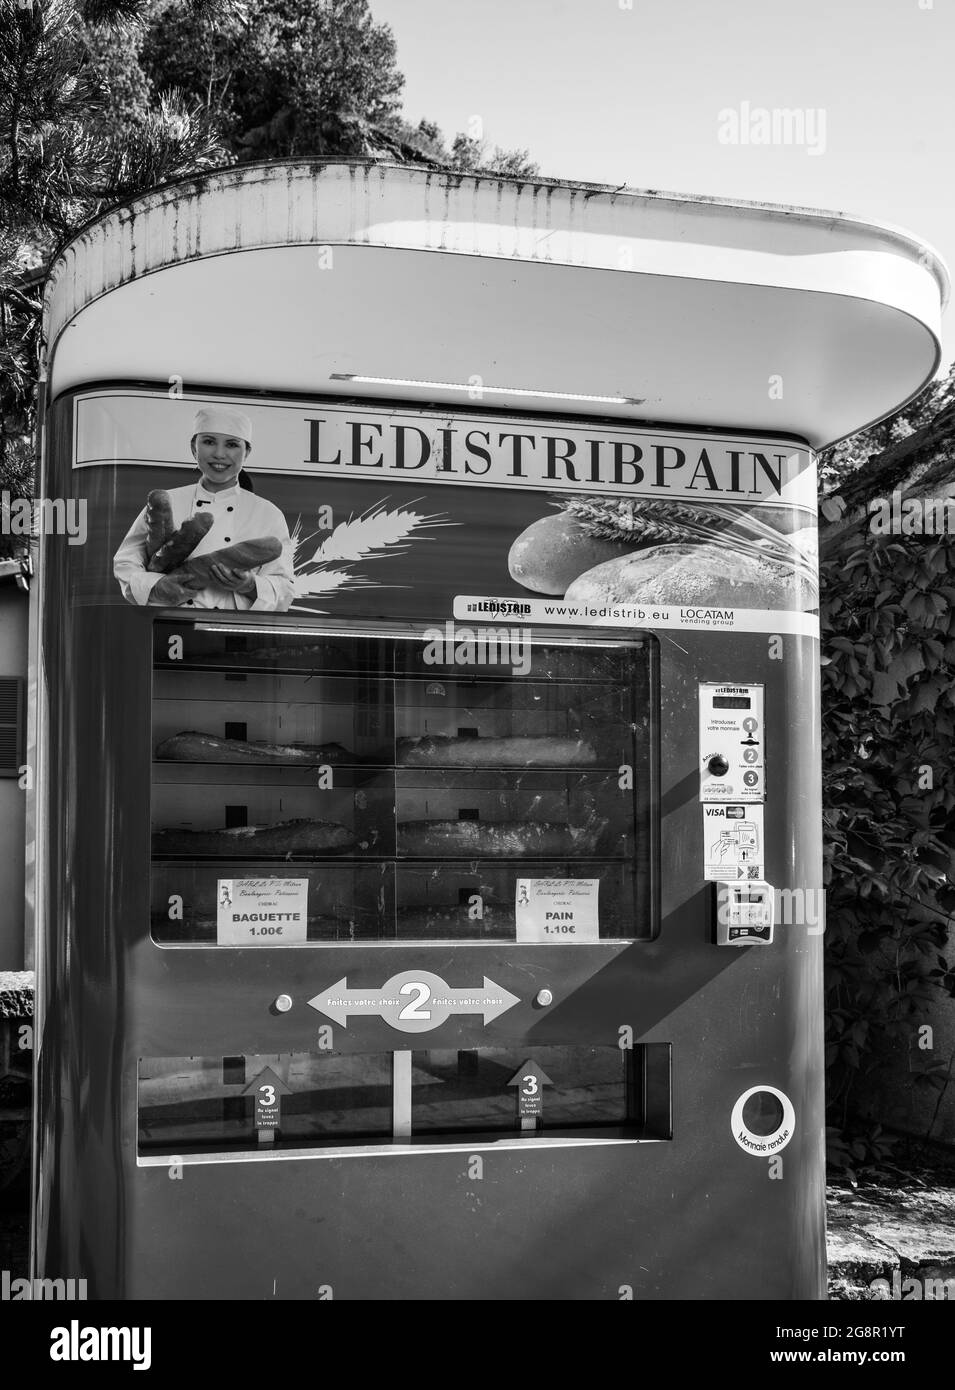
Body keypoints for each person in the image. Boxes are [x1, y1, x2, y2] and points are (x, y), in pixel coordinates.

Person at [113, 406, 295, 610]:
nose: (219, 454)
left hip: (234, 630)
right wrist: (157, 586)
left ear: (247, 453)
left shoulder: (267, 513)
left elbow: (285, 589)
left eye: (232, 445)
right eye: (208, 442)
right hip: (170, 625)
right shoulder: (168, 501)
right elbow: (125, 564)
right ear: (194, 448)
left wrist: (250, 585)